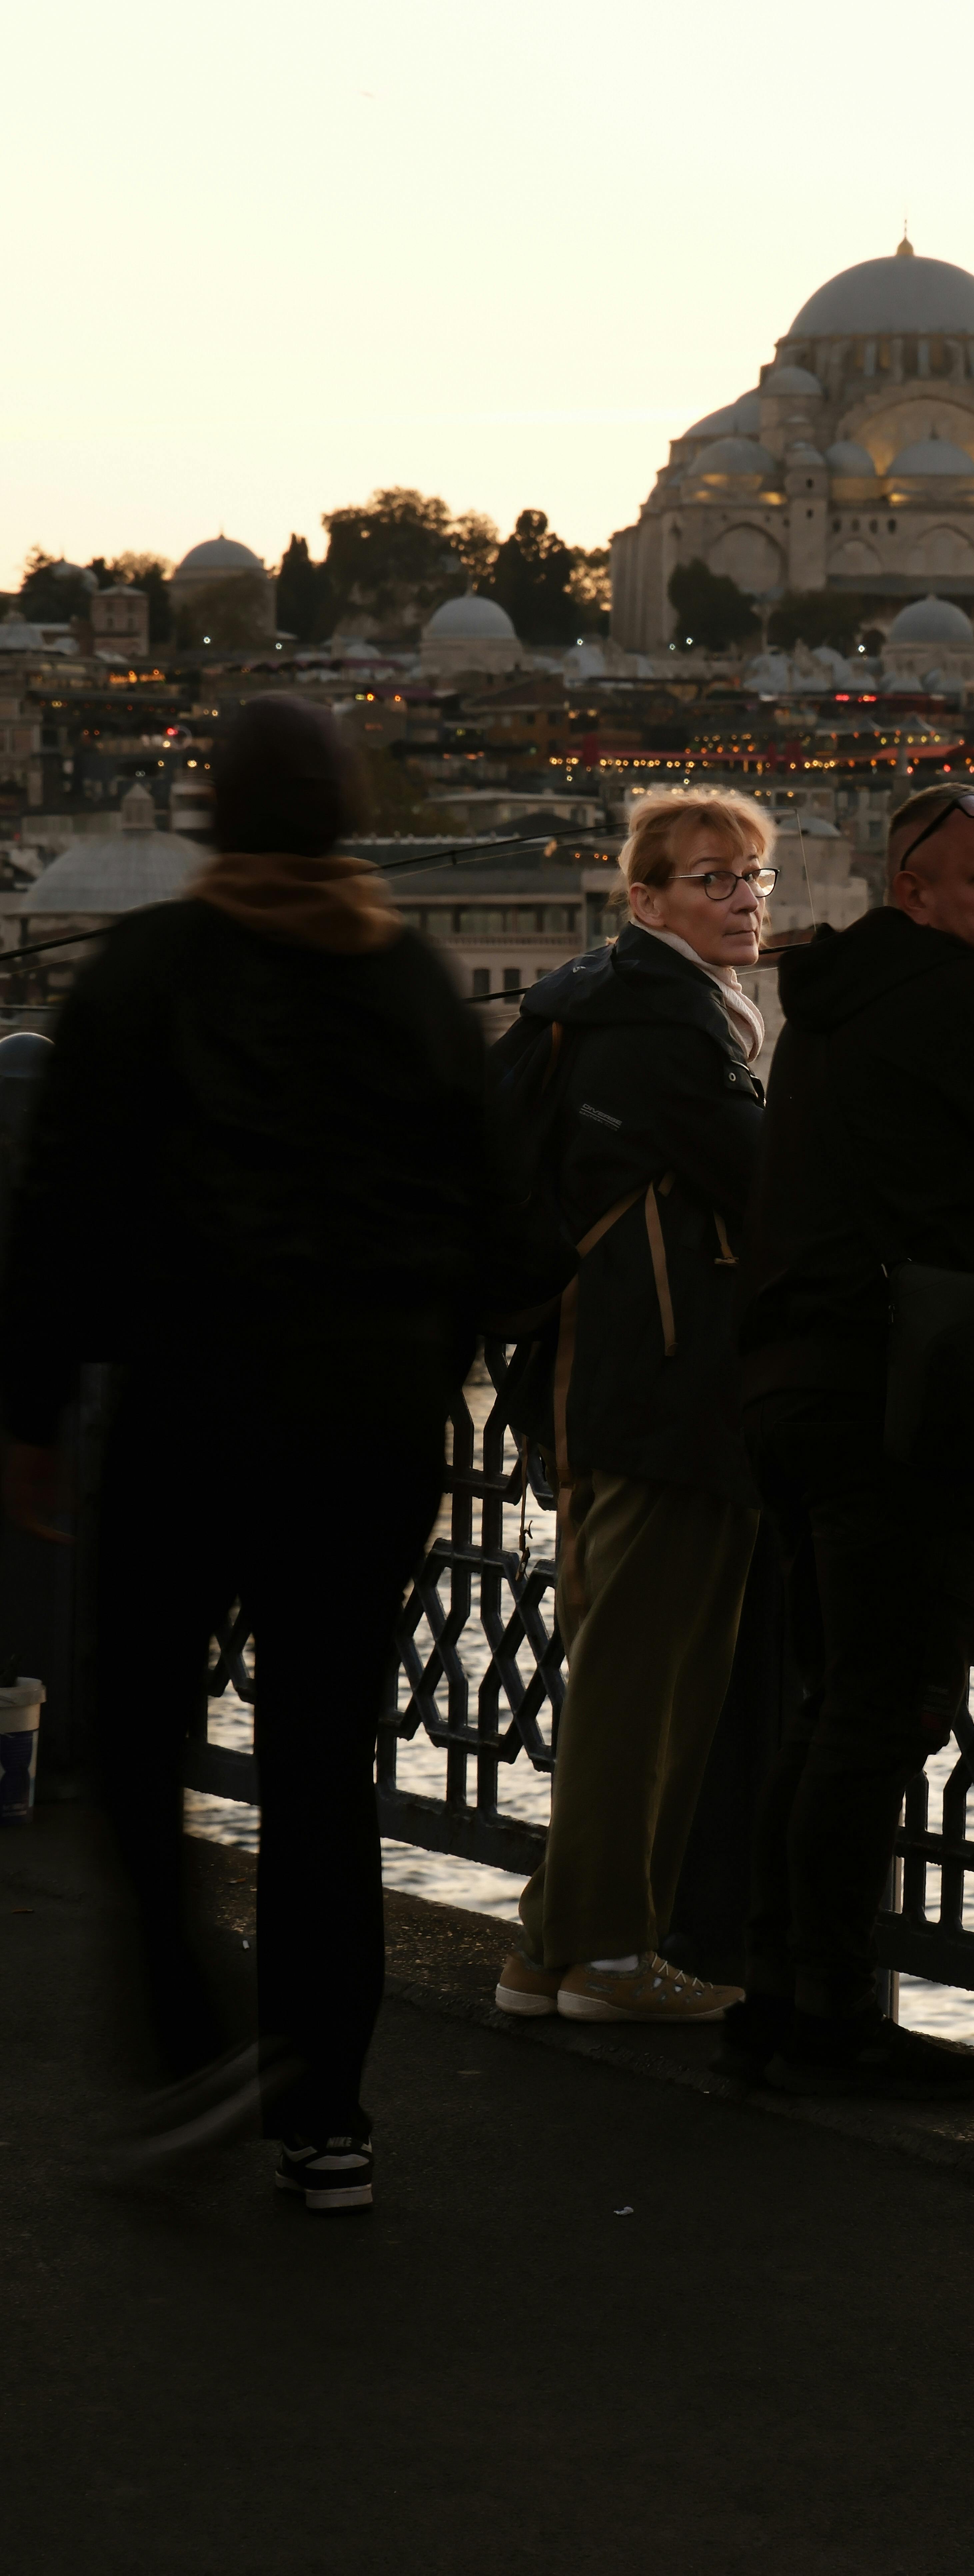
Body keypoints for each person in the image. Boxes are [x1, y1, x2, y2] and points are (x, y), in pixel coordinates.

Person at [0, 698, 499, 2212]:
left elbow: (63, 1209)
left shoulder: (149, 972)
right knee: (322, 1761)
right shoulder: (411, 981)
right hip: (366, 1422)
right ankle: (326, 2114)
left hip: (192, 1408)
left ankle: (185, 2035)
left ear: (215, 815)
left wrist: (32, 1417)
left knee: (141, 1741)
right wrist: (434, 1360)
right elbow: (498, 1211)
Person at [724, 783, 974, 2099]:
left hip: (790, 1387)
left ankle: (778, 1991)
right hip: (902, 1396)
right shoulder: (963, 1004)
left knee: (827, 1701)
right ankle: (838, 2019)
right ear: (916, 892)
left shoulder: (821, 1013)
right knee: (878, 1714)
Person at [492, 788, 769, 2025]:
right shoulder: (664, 1020)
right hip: (665, 1380)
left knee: (621, 1668)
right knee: (639, 1680)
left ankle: (554, 1951)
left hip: (603, 1374)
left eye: (755, 876)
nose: (745, 898)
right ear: (646, 901)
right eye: (712, 880)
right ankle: (605, 1955)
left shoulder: (606, 1001)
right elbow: (765, 1182)